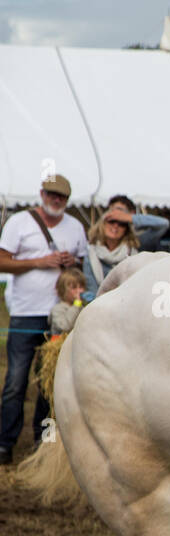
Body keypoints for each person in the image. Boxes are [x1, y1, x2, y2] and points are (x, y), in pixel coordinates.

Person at [0, 174, 88, 465]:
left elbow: (81, 269)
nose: (56, 200)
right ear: (42, 193)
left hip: (60, 318)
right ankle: (5, 443)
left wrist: (69, 264)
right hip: (26, 313)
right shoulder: (19, 223)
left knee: (50, 384)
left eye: (61, 196)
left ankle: (44, 442)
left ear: (67, 199)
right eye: (52, 194)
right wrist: (39, 262)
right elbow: (2, 260)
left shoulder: (75, 227)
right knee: (16, 380)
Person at [82, 205, 152, 301]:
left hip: (126, 305)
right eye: (111, 221)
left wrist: (130, 218)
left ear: (127, 229)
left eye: (122, 223)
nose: (116, 226)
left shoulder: (133, 254)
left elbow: (163, 224)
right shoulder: (90, 253)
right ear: (102, 223)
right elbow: (92, 290)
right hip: (98, 305)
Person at [49, 268, 87, 335]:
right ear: (63, 290)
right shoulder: (57, 309)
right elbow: (65, 326)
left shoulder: (81, 307)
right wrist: (76, 305)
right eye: (74, 287)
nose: (79, 291)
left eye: (81, 287)